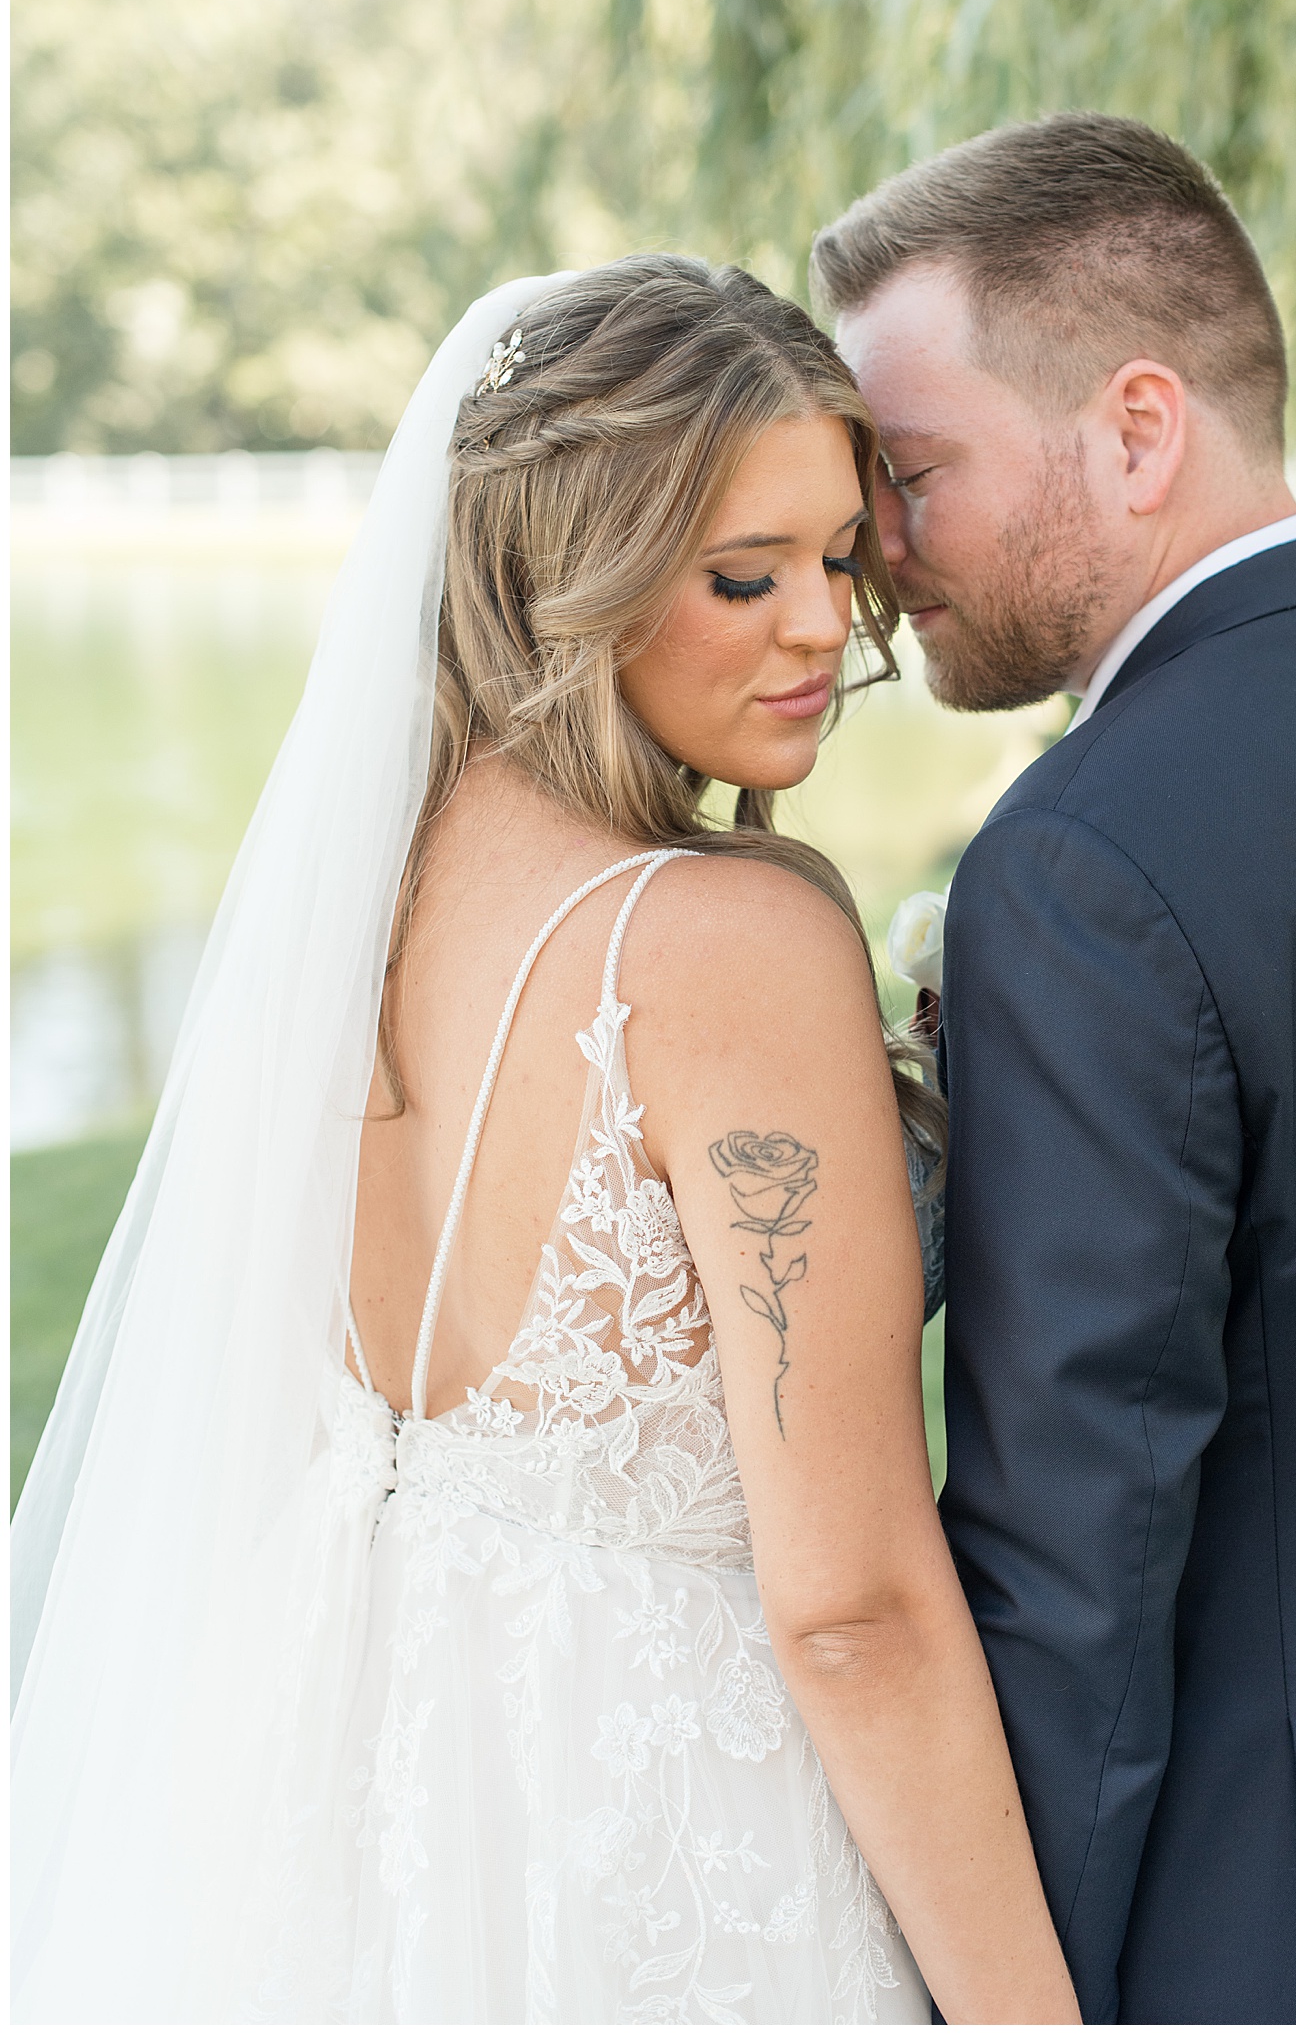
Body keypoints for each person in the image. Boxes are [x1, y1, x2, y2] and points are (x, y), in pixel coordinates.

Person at [12, 259, 1078, 2026]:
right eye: (744, 576)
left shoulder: (351, 903)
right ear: (559, 581)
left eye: (838, 561)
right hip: (659, 1842)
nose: (822, 626)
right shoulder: (724, 948)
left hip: (353, 1802)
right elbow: (851, 1606)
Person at [816, 113, 1296, 2027]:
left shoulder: (1079, 860)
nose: (875, 559)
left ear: (1137, 427)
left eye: (912, 474)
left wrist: (1008, 1992)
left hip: (1276, 1926)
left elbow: (1078, 1553)